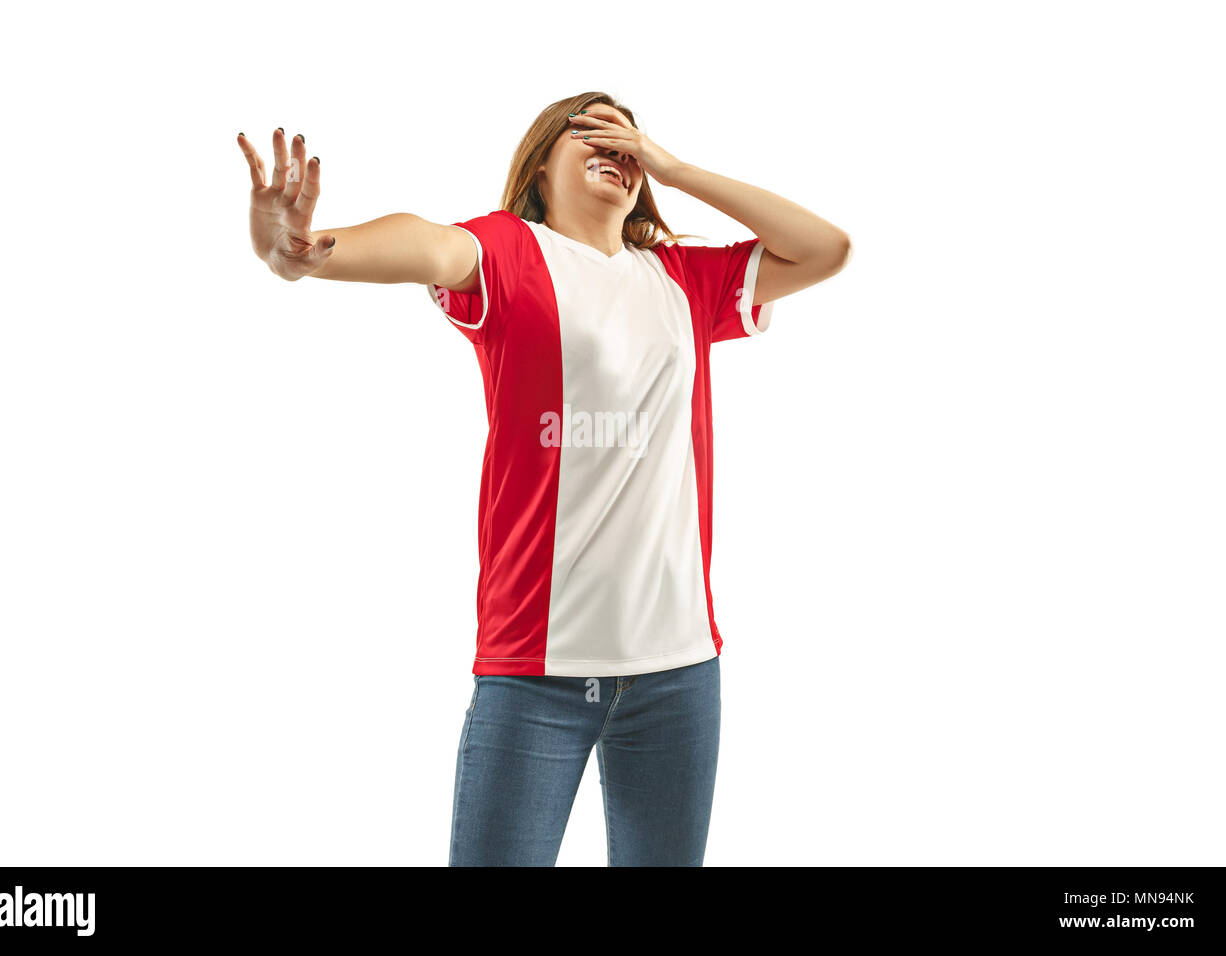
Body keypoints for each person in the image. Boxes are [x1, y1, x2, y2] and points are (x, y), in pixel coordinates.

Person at [235, 92, 851, 866]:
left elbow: (827, 249)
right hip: (535, 676)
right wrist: (297, 247)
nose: (614, 144)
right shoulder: (506, 253)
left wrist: (674, 165)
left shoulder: (685, 281)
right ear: (541, 160)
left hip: (679, 675)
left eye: (626, 133)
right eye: (589, 128)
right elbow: (425, 244)